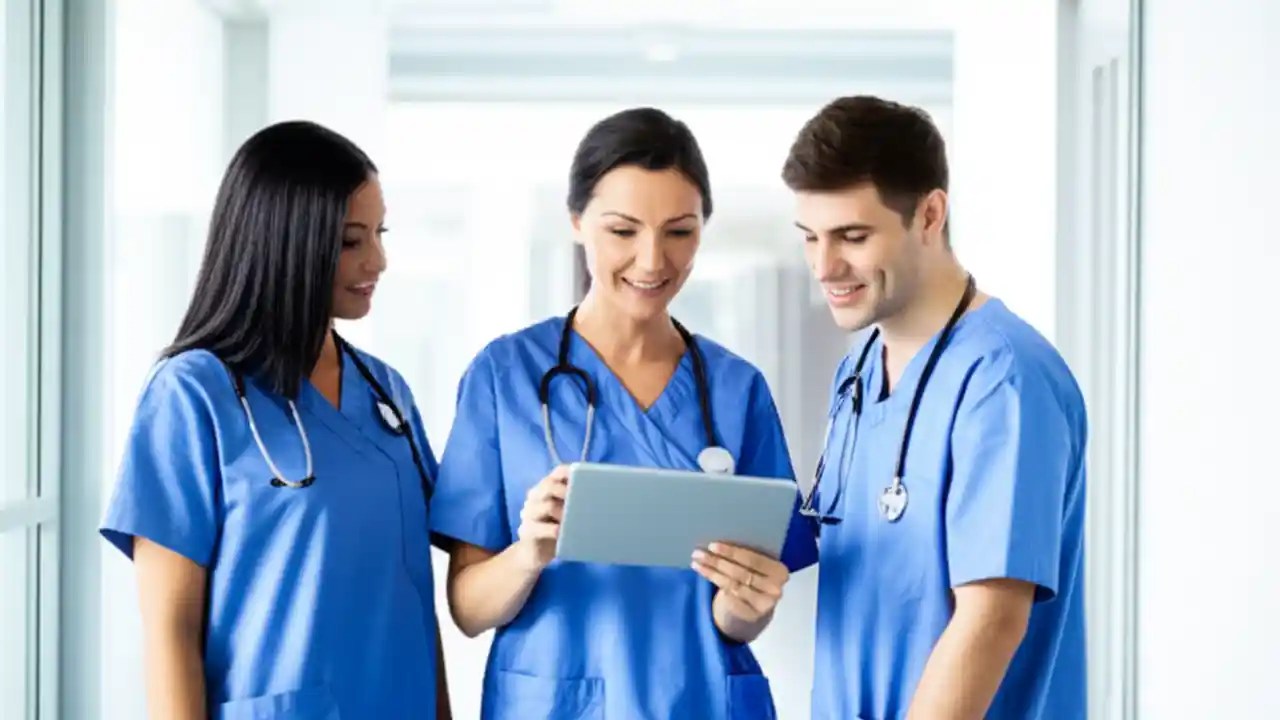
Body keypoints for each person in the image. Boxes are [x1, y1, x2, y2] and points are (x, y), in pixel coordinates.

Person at [429, 107, 817, 719]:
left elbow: (737, 619)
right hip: (556, 701)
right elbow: (468, 609)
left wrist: (752, 602)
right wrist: (530, 550)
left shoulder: (737, 390)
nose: (652, 260)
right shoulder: (505, 376)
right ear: (578, 221)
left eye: (680, 231)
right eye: (623, 230)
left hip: (702, 699)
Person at [99, 120, 451, 720]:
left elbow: (412, 593)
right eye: (350, 241)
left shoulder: (386, 392)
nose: (379, 260)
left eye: (379, 233)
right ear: (286, 240)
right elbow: (169, 631)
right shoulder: (194, 394)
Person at [781, 95, 1087, 719]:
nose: (824, 265)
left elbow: (992, 618)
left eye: (853, 236)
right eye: (810, 237)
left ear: (930, 215)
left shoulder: (1003, 378)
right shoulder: (858, 373)